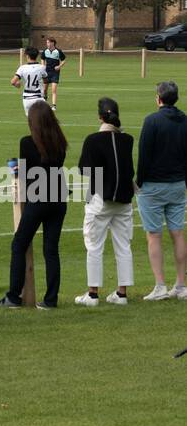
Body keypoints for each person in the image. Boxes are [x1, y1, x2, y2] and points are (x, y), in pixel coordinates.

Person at [0, 100, 69, 310]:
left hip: (39, 198)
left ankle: (14, 296)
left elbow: (26, 176)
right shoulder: (60, 141)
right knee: (51, 250)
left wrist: (16, 170)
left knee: (19, 244)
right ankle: (50, 299)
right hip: (58, 197)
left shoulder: (27, 142)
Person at [75, 97, 135, 307]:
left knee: (93, 245)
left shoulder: (93, 139)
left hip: (100, 198)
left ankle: (92, 294)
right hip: (124, 199)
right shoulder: (127, 139)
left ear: (100, 117)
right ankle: (122, 293)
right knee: (123, 246)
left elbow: (84, 169)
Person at [135, 81, 187, 301]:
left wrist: (139, 181)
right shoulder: (184, 120)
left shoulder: (152, 121)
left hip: (154, 185)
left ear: (159, 98)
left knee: (154, 235)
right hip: (178, 183)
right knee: (178, 233)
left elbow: (144, 154)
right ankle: (181, 285)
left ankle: (160, 286)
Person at [11, 46, 46, 116]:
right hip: (38, 97)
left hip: (27, 99)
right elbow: (45, 79)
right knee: (44, 120)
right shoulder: (42, 68)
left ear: (27, 56)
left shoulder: (22, 68)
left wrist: (17, 85)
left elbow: (13, 82)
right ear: (37, 56)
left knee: (32, 121)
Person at [41, 36, 66, 109]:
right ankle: (45, 99)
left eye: (48, 42)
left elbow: (64, 60)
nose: (47, 44)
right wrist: (43, 66)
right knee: (45, 89)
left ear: (53, 43)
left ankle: (54, 106)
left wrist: (59, 66)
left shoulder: (58, 51)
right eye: (47, 42)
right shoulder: (45, 51)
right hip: (46, 72)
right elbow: (42, 59)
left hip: (55, 73)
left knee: (53, 89)